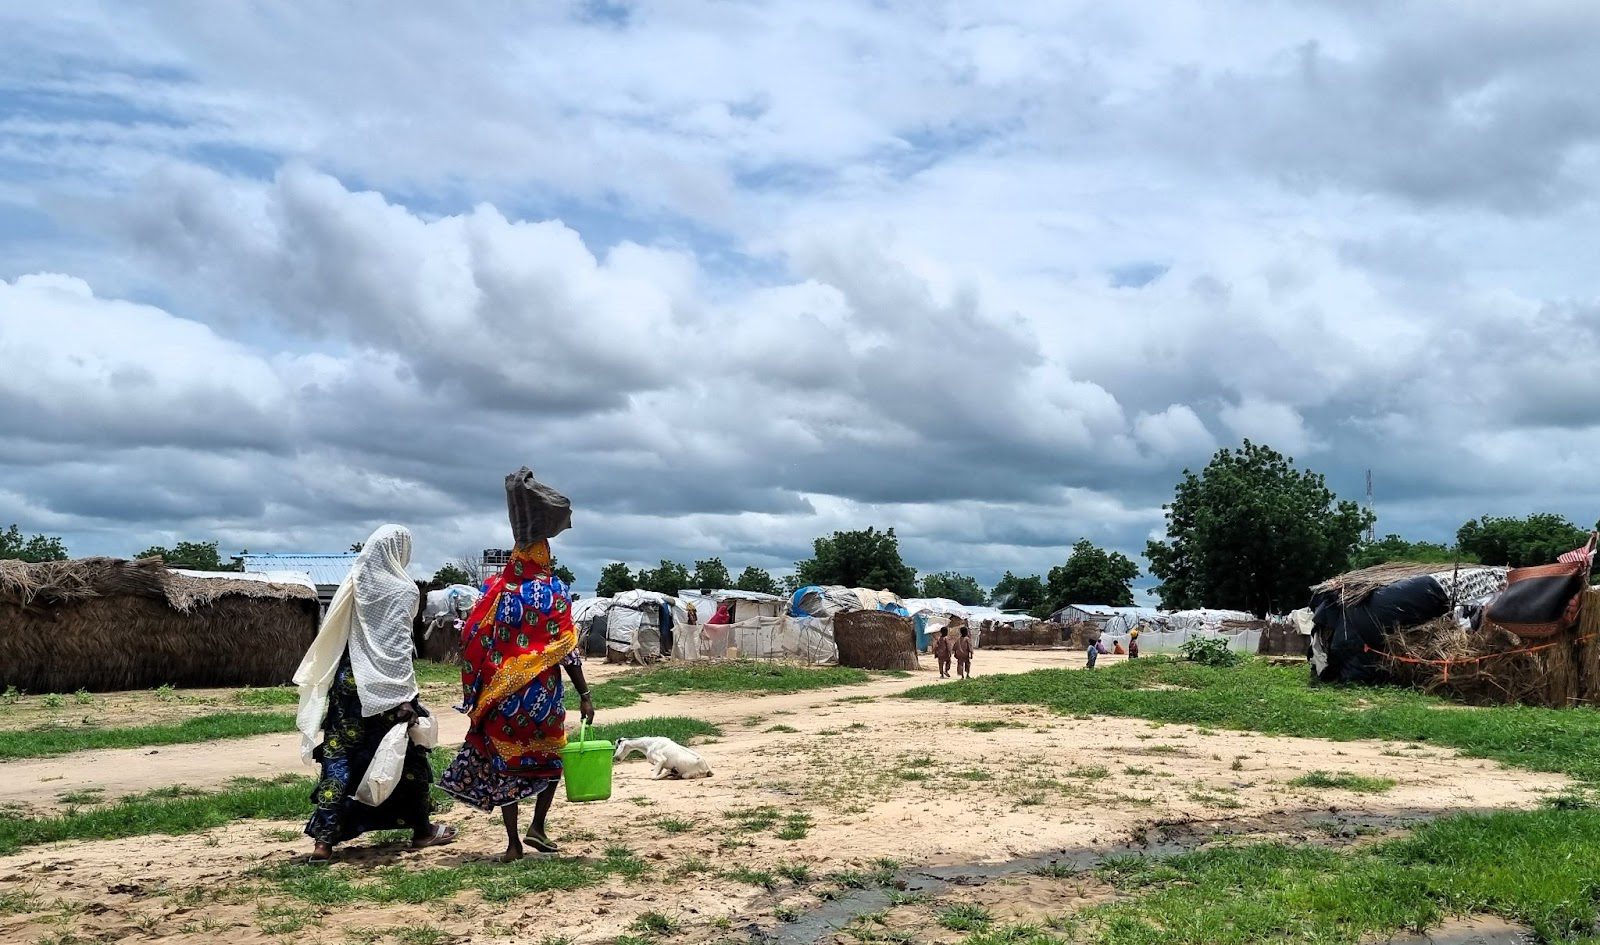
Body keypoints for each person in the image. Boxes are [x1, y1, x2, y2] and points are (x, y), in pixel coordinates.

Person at [440, 468, 596, 862]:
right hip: (542, 696)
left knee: (506, 764)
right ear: (544, 555)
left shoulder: (494, 590)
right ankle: (538, 826)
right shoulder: (554, 591)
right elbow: (567, 648)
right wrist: (585, 693)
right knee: (550, 759)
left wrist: (480, 685)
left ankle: (512, 843)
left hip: (501, 694)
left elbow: (471, 636)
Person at [294, 525, 456, 863]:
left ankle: (323, 842)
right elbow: (396, 647)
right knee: (407, 759)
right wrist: (407, 697)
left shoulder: (354, 581)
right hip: (386, 689)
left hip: (348, 685)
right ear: (399, 551)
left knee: (338, 762)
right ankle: (423, 831)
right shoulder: (404, 590)